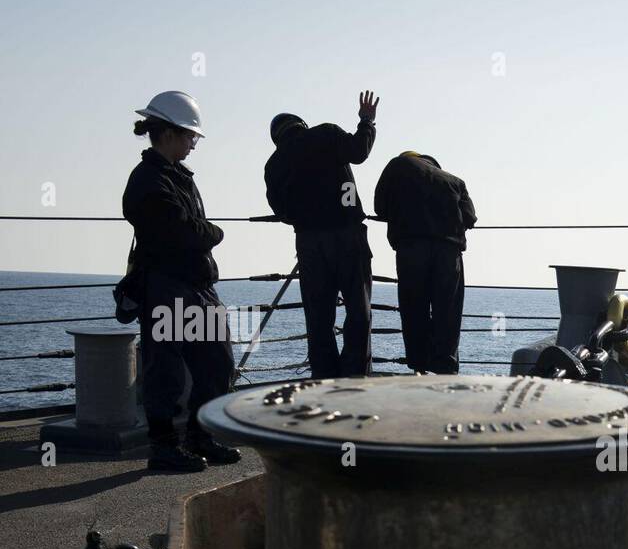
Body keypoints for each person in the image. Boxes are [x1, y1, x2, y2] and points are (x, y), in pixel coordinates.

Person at [123, 91, 240, 472]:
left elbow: (185, 231)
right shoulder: (148, 182)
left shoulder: (173, 178)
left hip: (194, 286)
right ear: (170, 134)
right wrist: (214, 232)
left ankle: (200, 436)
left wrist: (202, 233)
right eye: (191, 136)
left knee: (216, 364)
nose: (193, 143)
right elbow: (185, 234)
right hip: (168, 286)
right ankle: (164, 448)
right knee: (167, 371)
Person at [264, 91, 379, 378]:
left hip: (309, 242)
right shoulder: (326, 134)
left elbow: (281, 210)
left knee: (318, 316)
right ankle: (354, 375)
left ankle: (325, 377)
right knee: (358, 309)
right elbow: (359, 152)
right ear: (301, 124)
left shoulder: (274, 164)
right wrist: (366, 121)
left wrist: (303, 218)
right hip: (347, 234)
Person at [373, 152, 477, 374]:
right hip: (448, 252)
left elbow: (380, 207)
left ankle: (419, 366)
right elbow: (470, 218)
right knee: (448, 312)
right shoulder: (455, 181)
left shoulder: (397, 165)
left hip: (411, 249)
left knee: (414, 309)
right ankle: (446, 368)